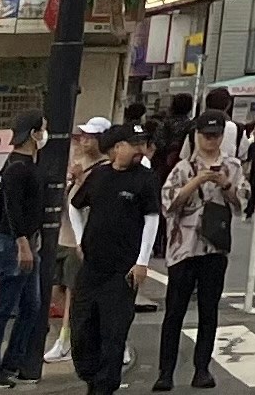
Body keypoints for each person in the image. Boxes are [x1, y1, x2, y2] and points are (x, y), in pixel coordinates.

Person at [61, 132, 159, 395]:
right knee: (81, 330)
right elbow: (75, 205)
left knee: (113, 334)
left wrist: (142, 261)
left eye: (143, 145)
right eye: (134, 144)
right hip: (92, 267)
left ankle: (104, 387)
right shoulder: (100, 175)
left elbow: (152, 218)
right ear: (118, 147)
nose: (140, 150)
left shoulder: (145, 178)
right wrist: (80, 240)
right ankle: (90, 376)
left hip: (122, 271)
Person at [149, 120, 238, 395]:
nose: (210, 141)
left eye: (215, 135)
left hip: (214, 248)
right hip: (183, 248)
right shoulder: (182, 167)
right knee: (174, 312)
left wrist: (225, 185)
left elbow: (242, 203)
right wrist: (196, 182)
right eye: (206, 135)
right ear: (197, 136)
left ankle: (202, 368)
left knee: (209, 312)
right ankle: (166, 372)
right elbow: (168, 204)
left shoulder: (232, 166)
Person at [0, 124, 48, 392]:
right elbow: (13, 208)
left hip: (22, 241)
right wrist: (23, 243)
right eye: (43, 128)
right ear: (33, 133)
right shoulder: (18, 168)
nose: (45, 134)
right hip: (11, 242)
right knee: (5, 306)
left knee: (31, 305)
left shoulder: (24, 164)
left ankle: (11, 361)